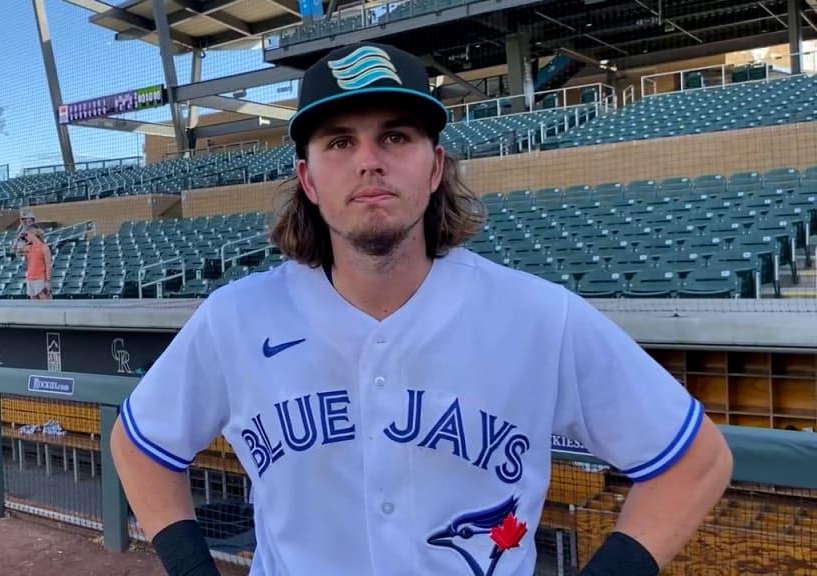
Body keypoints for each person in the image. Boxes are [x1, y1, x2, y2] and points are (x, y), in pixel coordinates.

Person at [110, 42, 733, 576]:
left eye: (396, 136)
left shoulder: (541, 317)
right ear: (308, 180)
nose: (369, 159)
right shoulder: (235, 318)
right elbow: (140, 446)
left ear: (435, 167)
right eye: (339, 141)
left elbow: (696, 462)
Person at [22, 227, 52, 300]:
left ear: (32, 234)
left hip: (40, 278)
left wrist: (48, 281)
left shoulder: (44, 247)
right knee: (33, 305)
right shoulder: (28, 247)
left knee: (44, 302)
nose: (25, 237)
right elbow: (15, 250)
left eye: (27, 235)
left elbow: (48, 265)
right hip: (30, 278)